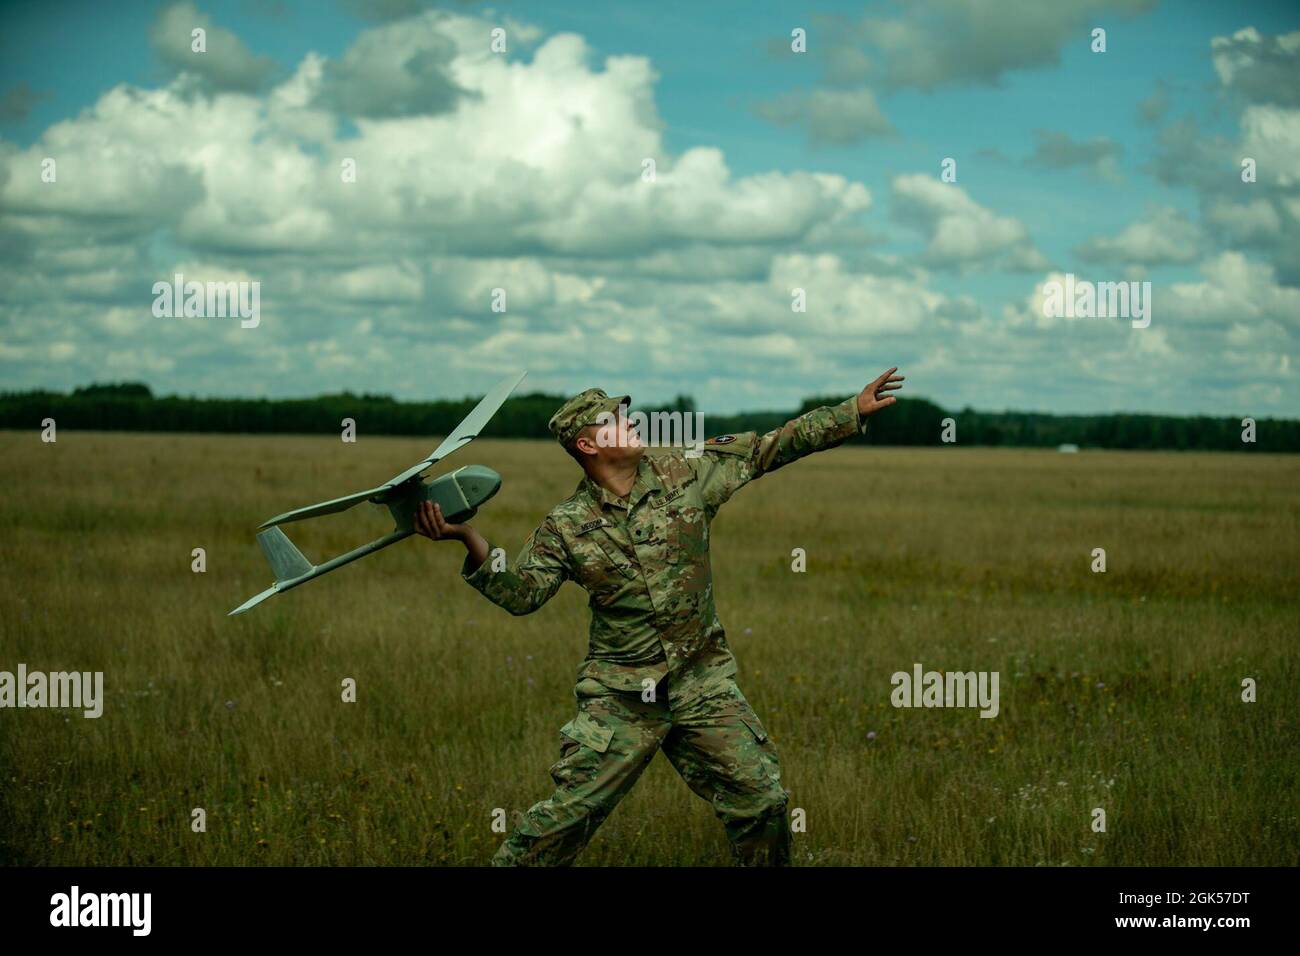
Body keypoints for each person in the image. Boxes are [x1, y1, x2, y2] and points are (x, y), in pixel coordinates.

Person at [415, 367, 905, 865]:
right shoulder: (567, 526)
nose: (629, 420)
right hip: (623, 699)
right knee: (563, 819)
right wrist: (468, 540)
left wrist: (851, 412)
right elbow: (523, 594)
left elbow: (768, 448)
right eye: (613, 419)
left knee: (763, 803)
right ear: (587, 446)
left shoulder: (687, 471)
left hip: (701, 683)